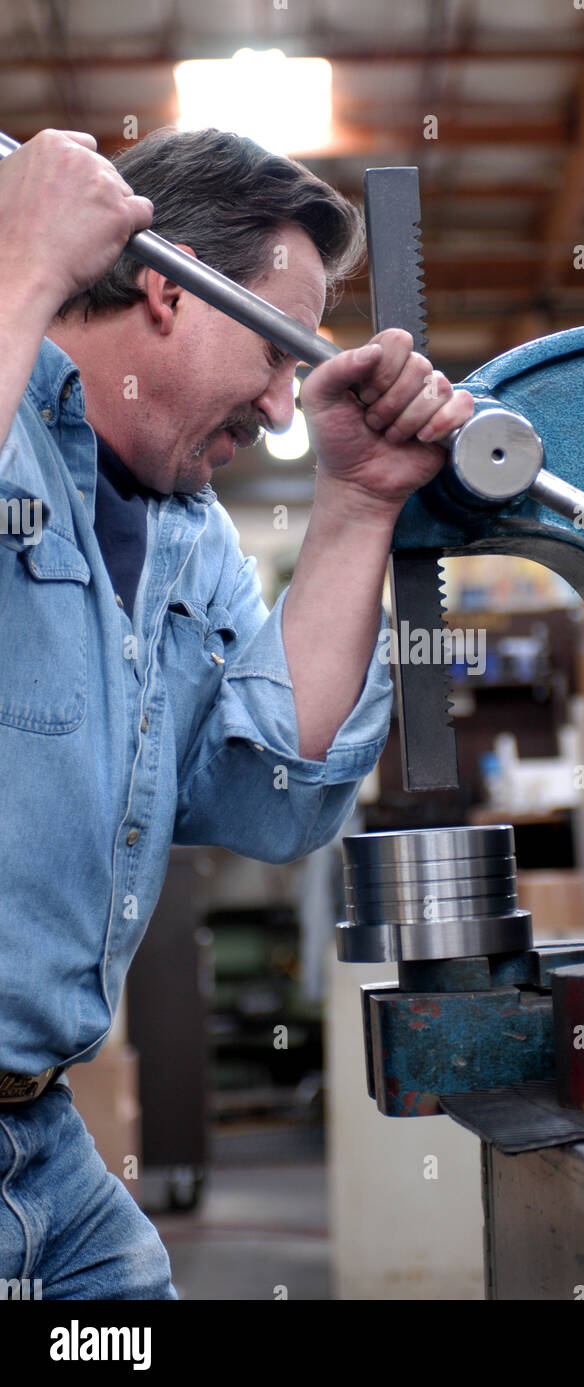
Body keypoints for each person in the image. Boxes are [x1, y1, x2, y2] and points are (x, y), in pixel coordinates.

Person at [0, 126, 474, 1299]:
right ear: (163, 288)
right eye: (273, 350)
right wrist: (23, 262)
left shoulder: (188, 536)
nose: (282, 407)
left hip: (39, 1151)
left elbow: (268, 799)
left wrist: (360, 503)